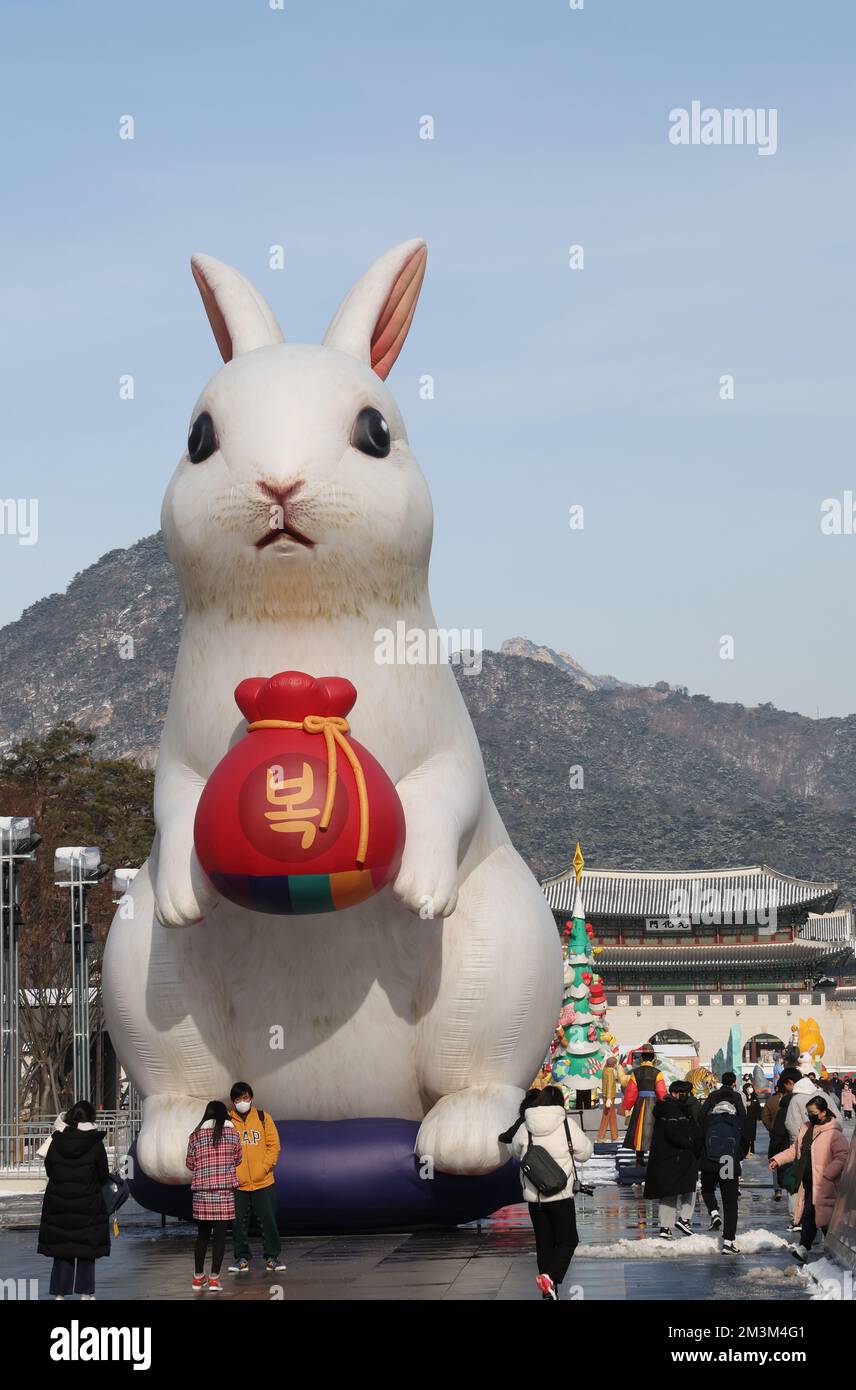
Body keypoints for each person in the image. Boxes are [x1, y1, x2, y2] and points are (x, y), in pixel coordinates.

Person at [504, 1085, 593, 1301]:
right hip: (560, 1194)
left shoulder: (527, 1126)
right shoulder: (566, 1124)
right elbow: (585, 1153)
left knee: (544, 1243)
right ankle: (551, 1278)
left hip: (535, 1197)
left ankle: (548, 1291)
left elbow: (513, 1150)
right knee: (568, 1240)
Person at [37, 1100, 110, 1300]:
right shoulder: (95, 1144)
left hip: (59, 1202)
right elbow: (103, 1174)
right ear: (91, 1119)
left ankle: (60, 1293)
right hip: (88, 1203)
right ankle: (85, 1293)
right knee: (86, 1248)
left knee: (63, 1247)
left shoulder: (57, 1140)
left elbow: (50, 1168)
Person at [770, 1095, 849, 1263]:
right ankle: (807, 1247)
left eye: (812, 1113)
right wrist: (778, 1159)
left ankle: (822, 1250)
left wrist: (828, 1173)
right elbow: (795, 1149)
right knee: (811, 1215)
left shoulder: (834, 1133)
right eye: (808, 1113)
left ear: (823, 1112)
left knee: (821, 1216)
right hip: (807, 1182)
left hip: (824, 1183)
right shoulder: (806, 1129)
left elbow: (842, 1156)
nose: (810, 1116)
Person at [226, 1082, 286, 1274]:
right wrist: (232, 1172)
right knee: (238, 1223)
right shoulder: (227, 1121)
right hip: (238, 1183)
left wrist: (264, 1168)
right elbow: (222, 1149)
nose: (242, 1102)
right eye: (237, 1099)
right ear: (233, 1102)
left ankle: (272, 1258)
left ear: (251, 1098)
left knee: (268, 1220)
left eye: (245, 1098)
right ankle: (241, 1258)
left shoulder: (263, 1118)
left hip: (263, 1181)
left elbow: (273, 1146)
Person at [185, 1100, 243, 1292]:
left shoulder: (195, 1135)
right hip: (224, 1192)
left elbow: (190, 1163)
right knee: (219, 1237)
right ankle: (215, 1279)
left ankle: (198, 1277)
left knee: (202, 1236)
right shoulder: (233, 1133)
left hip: (202, 1193)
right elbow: (238, 1158)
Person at [696, 1071, 746, 1254]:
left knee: (707, 1189)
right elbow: (745, 1128)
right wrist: (737, 1154)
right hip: (727, 1161)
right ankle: (728, 1242)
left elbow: (699, 1124)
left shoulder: (709, 1117)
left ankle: (714, 1213)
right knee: (730, 1202)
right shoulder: (736, 1112)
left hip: (710, 1160)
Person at [644, 1081, 699, 1239]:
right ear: (674, 1093)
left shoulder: (669, 1108)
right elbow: (673, 1133)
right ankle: (684, 1219)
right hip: (677, 1156)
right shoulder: (672, 1110)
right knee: (688, 1187)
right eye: (683, 1093)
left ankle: (666, 1227)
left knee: (669, 1192)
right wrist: (690, 1144)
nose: (686, 1096)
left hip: (668, 1158)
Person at [621, 1046, 667, 1161]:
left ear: (642, 1058)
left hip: (639, 1103)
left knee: (639, 1129)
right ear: (653, 1058)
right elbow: (661, 1092)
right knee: (653, 1129)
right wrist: (665, 1104)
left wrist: (627, 1107)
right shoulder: (658, 1073)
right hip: (653, 1105)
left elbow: (631, 1091)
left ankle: (639, 1157)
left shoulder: (635, 1073)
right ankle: (653, 1158)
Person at [597, 1056, 622, 1142]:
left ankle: (615, 1136)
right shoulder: (610, 1071)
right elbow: (610, 1084)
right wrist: (608, 1098)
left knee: (612, 1117)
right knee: (606, 1117)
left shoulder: (605, 1069)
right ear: (614, 1064)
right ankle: (601, 1136)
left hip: (608, 1096)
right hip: (609, 1096)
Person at [741, 1081, 761, 1155]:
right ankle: (746, 1150)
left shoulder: (755, 1096)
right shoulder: (743, 1096)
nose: (750, 1089)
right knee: (746, 1134)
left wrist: (760, 1117)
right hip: (745, 1118)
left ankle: (751, 1150)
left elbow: (758, 1107)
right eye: (748, 1087)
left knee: (752, 1135)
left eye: (751, 1087)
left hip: (752, 1118)